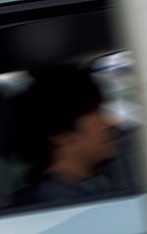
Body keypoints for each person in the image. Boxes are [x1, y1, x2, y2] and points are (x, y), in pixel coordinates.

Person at [8, 66, 121, 207]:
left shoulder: (85, 191)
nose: (109, 123)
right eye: (96, 114)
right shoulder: (55, 205)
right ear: (61, 135)